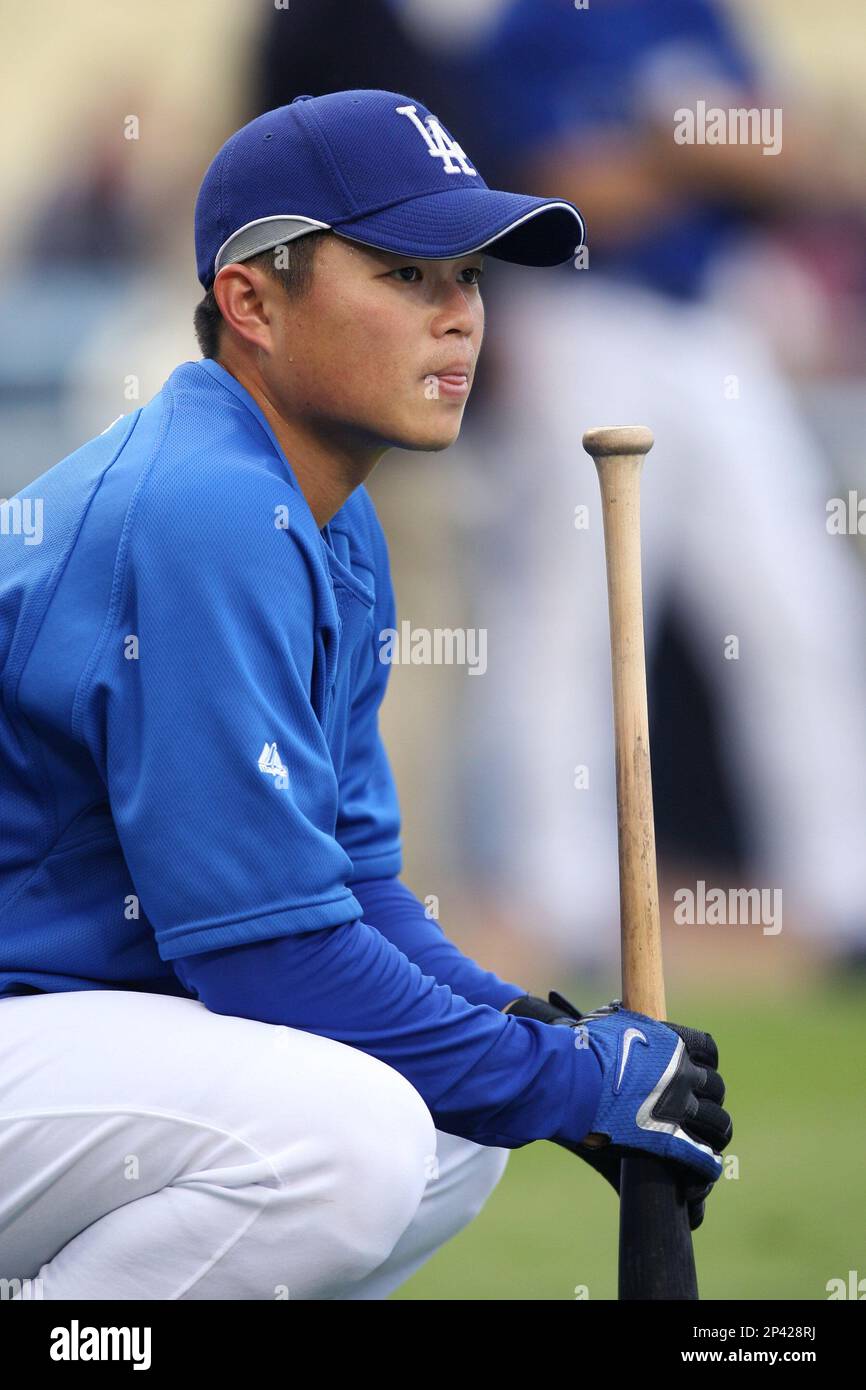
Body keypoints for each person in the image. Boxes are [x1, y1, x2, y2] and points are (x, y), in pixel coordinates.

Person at [0, 90, 731, 1301]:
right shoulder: (206, 507)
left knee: (449, 1126)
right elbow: (272, 960)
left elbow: (349, 895)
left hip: (55, 1034)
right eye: (403, 273)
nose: (458, 319)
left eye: (469, 278)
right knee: (349, 1135)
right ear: (251, 301)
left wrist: (546, 1040)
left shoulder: (323, 518)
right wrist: (567, 1082)